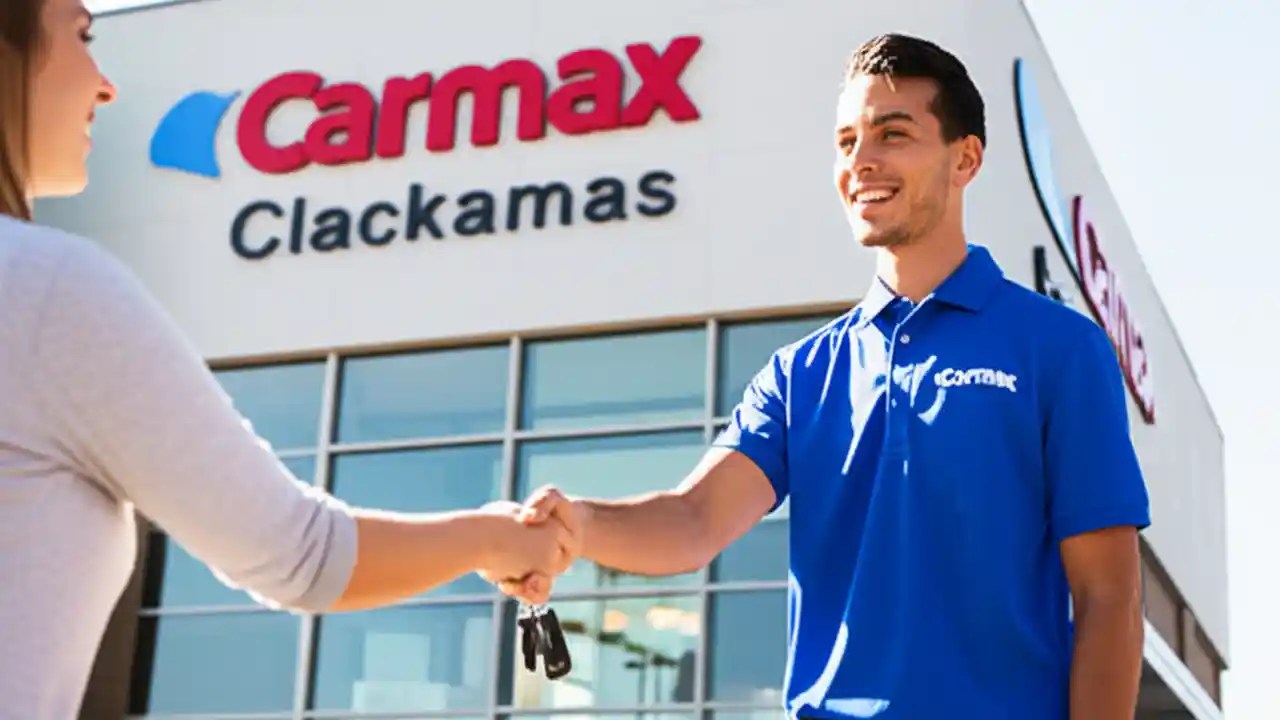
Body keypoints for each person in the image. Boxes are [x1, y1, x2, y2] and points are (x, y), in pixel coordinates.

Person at [494, 33, 1152, 720]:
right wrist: (574, 525)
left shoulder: (1060, 348)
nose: (861, 161)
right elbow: (692, 521)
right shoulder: (800, 374)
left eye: (893, 134)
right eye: (846, 142)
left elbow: (1110, 599)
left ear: (966, 158)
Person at [0, 1, 570, 716]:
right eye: (82, 38)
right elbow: (303, 557)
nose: (106, 84)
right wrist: (492, 540)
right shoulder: (46, 290)